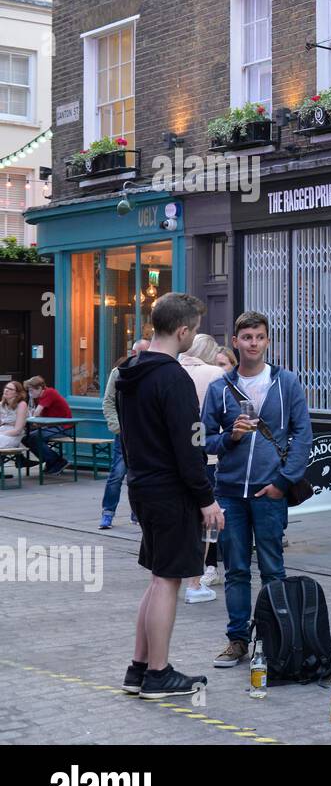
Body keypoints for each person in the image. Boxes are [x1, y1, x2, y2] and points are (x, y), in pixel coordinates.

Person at [115, 292, 224, 700]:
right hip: (170, 489)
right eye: (194, 329)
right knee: (168, 580)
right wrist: (205, 498)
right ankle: (158, 673)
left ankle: (139, 667)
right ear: (182, 330)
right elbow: (188, 446)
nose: (194, 335)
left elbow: (126, 437)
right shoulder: (172, 377)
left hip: (143, 484)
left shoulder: (131, 371)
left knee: (158, 577)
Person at [202, 310, 312, 668]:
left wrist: (283, 482)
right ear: (235, 342)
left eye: (259, 337)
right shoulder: (220, 388)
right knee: (234, 568)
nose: (252, 343)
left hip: (269, 491)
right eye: (246, 337)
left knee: (272, 568)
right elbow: (203, 440)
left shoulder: (287, 383)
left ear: (267, 341)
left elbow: (302, 436)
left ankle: (271, 637)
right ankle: (237, 640)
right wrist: (230, 437)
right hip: (231, 491)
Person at [179, 334, 225, 604]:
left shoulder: (171, 370)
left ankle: (185, 574)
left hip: (176, 457)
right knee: (209, 516)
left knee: (186, 516)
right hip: (208, 455)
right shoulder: (215, 374)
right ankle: (202, 574)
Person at [99, 340, 150, 528]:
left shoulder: (152, 373)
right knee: (117, 473)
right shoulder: (119, 373)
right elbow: (108, 402)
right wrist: (117, 427)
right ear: (132, 352)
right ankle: (108, 513)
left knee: (140, 475)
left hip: (145, 434)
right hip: (124, 432)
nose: (143, 357)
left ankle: (137, 513)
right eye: (140, 353)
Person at [22, 375, 73, 476]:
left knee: (34, 437)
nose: (30, 394)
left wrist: (31, 417)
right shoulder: (40, 397)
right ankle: (52, 462)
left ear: (40, 388)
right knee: (25, 438)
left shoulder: (49, 392)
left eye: (31, 390)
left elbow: (36, 413)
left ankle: (57, 461)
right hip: (52, 426)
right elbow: (39, 418)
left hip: (64, 427)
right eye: (29, 391)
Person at [0, 380, 30, 452]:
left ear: (17, 393)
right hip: (2, 430)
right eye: (6, 388)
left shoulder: (21, 404)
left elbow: (17, 430)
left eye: (10, 389)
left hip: (13, 435)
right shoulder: (2, 404)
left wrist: (1, 433)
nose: (6, 390)